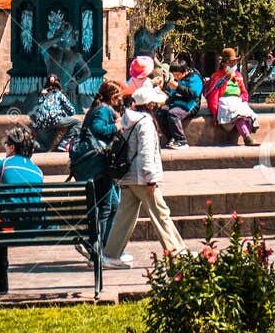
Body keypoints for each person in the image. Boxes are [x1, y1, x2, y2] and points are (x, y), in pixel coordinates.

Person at [101, 83, 185, 268]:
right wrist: (151, 178)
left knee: (124, 218)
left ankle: (110, 254)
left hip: (128, 176)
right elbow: (146, 152)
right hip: (142, 178)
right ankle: (176, 252)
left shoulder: (127, 119)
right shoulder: (146, 122)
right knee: (161, 213)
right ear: (150, 105)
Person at [0, 124, 44, 296]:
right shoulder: (38, 171)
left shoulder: (1, 165)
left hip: (8, 228)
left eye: (6, 144)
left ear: (13, 146)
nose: (5, 148)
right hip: (32, 228)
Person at [69, 79, 124, 258]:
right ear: (113, 97)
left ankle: (101, 247)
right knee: (107, 207)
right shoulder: (103, 109)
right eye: (119, 97)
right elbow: (97, 128)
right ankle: (99, 250)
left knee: (113, 205)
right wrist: (116, 126)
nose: (120, 100)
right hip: (101, 164)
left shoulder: (97, 108)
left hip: (98, 164)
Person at [205, 48, 258, 145]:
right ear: (224, 63)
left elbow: (244, 93)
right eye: (230, 62)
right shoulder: (217, 76)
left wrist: (241, 100)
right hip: (225, 102)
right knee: (238, 114)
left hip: (237, 101)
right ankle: (247, 137)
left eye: (234, 62)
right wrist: (214, 113)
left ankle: (247, 133)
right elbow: (213, 95)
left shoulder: (238, 75)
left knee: (246, 113)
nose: (233, 64)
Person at [158, 55, 203, 148]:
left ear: (185, 71)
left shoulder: (195, 78)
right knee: (161, 112)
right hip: (177, 103)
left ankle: (181, 140)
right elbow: (173, 95)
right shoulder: (176, 79)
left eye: (178, 75)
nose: (176, 77)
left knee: (173, 114)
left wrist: (177, 87)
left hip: (190, 105)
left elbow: (193, 94)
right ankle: (171, 138)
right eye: (174, 75)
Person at [28, 74, 80, 152]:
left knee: (46, 144)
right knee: (77, 123)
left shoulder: (42, 95)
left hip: (40, 123)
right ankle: (63, 144)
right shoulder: (59, 94)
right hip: (55, 120)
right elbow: (72, 111)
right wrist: (63, 113)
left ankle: (34, 145)